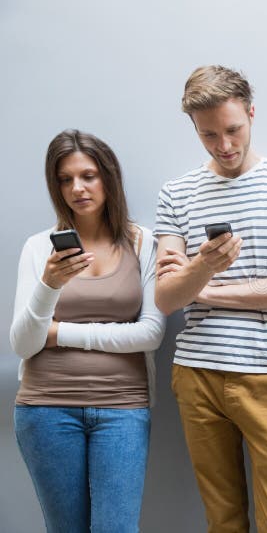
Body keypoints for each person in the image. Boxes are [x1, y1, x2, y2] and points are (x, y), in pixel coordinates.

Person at [153, 65, 267, 532]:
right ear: (194, 127)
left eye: (233, 129)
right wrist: (203, 268)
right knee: (223, 520)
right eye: (208, 135)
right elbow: (167, 299)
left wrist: (206, 286)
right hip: (197, 375)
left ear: (252, 113)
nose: (224, 145)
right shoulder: (176, 194)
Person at [10, 129, 166, 532]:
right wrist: (48, 286)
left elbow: (150, 333)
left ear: (108, 178)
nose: (77, 188)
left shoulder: (142, 242)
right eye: (65, 179)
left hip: (123, 410)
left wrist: (60, 332)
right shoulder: (39, 248)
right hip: (45, 410)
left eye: (88, 175)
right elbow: (24, 343)